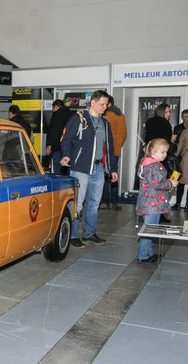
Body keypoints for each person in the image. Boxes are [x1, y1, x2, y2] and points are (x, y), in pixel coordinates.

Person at [61, 90, 118, 248]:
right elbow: (67, 140)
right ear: (92, 102)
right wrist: (66, 155)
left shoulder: (105, 123)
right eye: (102, 104)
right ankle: (73, 235)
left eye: (106, 104)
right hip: (81, 167)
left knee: (94, 203)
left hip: (99, 167)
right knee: (78, 203)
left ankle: (89, 233)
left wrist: (113, 168)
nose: (104, 107)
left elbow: (110, 147)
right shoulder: (79, 119)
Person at [136, 138, 178, 262]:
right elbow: (158, 183)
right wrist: (170, 183)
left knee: (151, 229)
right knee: (149, 230)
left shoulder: (146, 163)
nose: (165, 155)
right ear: (153, 152)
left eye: (166, 152)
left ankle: (148, 253)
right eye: (162, 152)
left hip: (149, 202)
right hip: (152, 203)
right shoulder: (154, 166)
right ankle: (143, 255)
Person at [101, 95, 128, 209]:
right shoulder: (121, 116)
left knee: (104, 176)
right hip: (116, 150)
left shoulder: (107, 115)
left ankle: (105, 201)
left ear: (109, 104)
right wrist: (118, 145)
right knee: (114, 175)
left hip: (106, 150)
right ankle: (115, 202)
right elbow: (124, 134)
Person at [46, 99, 74, 173]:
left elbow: (54, 132)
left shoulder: (56, 116)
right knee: (67, 169)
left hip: (57, 147)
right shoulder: (71, 114)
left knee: (57, 170)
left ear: (55, 106)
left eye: (53, 108)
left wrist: (50, 145)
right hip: (69, 148)